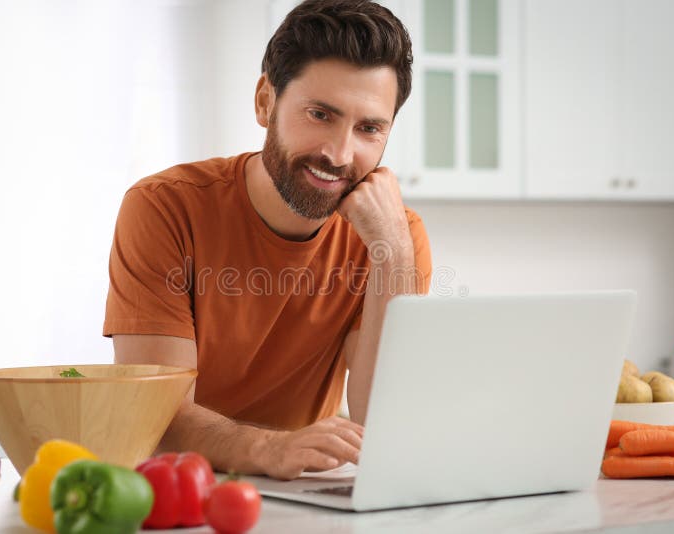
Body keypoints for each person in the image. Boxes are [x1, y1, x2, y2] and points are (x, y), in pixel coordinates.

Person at [103, 0, 432, 480]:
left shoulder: (396, 238)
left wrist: (393, 254)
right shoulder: (164, 207)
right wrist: (271, 448)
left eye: (368, 128)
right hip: (176, 488)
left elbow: (384, 424)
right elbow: (154, 416)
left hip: (296, 494)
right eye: (320, 114)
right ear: (265, 101)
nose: (339, 154)